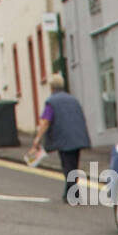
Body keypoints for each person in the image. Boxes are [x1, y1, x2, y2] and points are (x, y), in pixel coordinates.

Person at [27, 74, 92, 205]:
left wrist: (37, 139)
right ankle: (69, 194)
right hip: (78, 136)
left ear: (51, 87)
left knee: (67, 166)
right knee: (72, 165)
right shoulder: (73, 99)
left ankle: (74, 195)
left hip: (64, 138)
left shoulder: (51, 102)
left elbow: (45, 122)